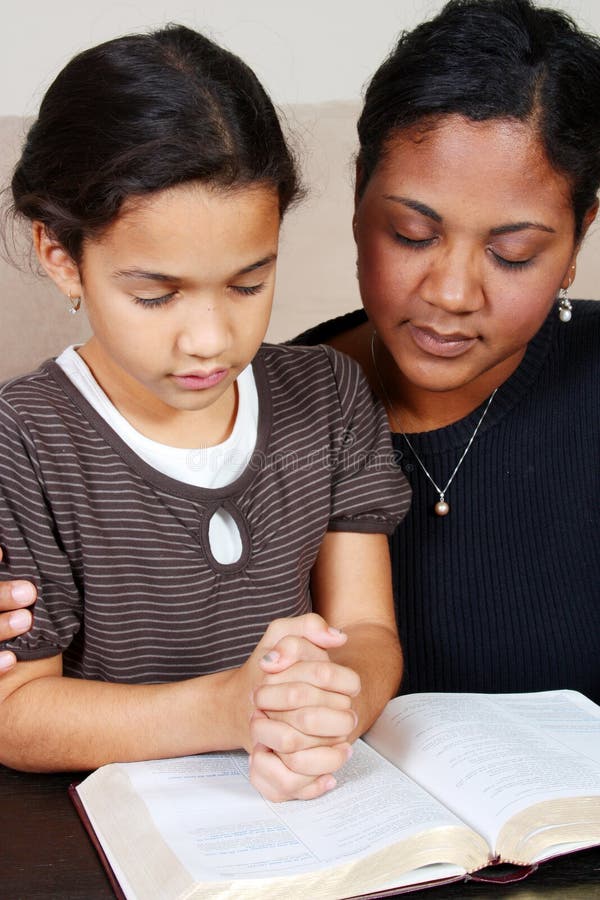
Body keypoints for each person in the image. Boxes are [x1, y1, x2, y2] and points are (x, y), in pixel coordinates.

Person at [3, 0, 600, 699]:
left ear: (576, 241)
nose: (452, 293)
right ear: (357, 198)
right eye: (411, 232)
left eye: (512, 252)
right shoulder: (292, 404)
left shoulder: (317, 402)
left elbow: (361, 645)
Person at [0, 24, 411, 797]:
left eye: (249, 284)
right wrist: (231, 708)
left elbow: (367, 633)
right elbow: (16, 711)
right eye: (156, 295)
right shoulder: (23, 441)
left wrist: (323, 707)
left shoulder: (327, 397)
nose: (212, 339)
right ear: (62, 257)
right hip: (105, 833)